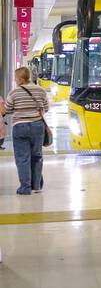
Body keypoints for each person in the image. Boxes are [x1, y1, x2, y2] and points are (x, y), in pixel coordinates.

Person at [4, 66, 49, 195]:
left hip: (20, 127)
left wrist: (20, 110)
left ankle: (25, 187)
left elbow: (7, 109)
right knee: (37, 156)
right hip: (37, 126)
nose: (15, 80)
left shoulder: (14, 92)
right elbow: (46, 107)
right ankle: (36, 186)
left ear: (21, 79)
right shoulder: (40, 90)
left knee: (23, 158)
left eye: (16, 78)